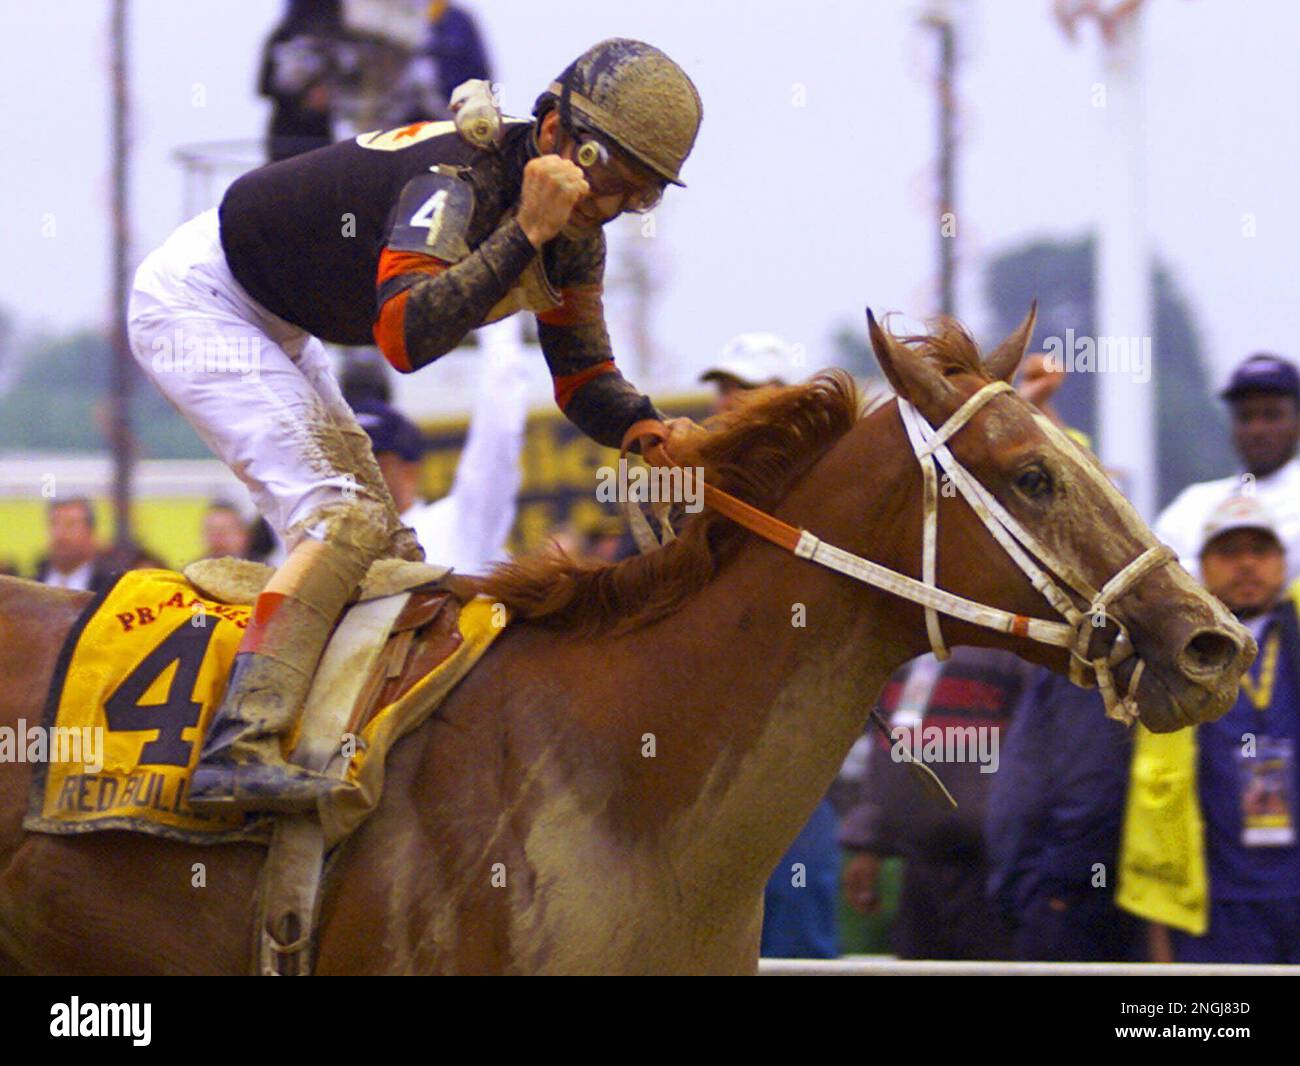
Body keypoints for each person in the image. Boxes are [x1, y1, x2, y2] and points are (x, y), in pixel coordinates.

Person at [127, 38, 704, 813]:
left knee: (393, 549)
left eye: (642, 196)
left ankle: (334, 732)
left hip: (277, 317)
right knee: (340, 523)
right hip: (203, 301)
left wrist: (648, 430)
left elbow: (584, 379)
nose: (615, 209)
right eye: (616, 182)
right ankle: (239, 744)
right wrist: (524, 234)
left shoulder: (572, 240)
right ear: (562, 134)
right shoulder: (455, 181)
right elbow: (405, 338)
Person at [1120, 495, 1300, 963]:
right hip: (1215, 909)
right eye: (1228, 552)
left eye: (1260, 550)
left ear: (1284, 563)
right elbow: (1154, 807)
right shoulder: (1177, 660)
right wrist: (1159, 930)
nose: (1245, 565)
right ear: (1200, 567)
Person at [985, 668, 1142, 961]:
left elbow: (1093, 782)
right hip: (1041, 890)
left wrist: (1061, 887)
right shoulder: (1055, 668)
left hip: (1066, 899)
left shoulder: (1084, 667)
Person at [354, 321, 528, 572]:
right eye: (349, 458)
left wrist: (498, 321)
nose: (358, 471)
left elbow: (500, 430)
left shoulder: (460, 526)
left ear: (408, 469)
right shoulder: (322, 550)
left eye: (375, 459)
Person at [1155, 352, 1300, 581]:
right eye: (1246, 416)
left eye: (1272, 415)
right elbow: (1157, 581)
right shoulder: (1191, 505)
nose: (1257, 430)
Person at [258, 0, 351, 162]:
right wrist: (302, 96)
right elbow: (264, 87)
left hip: (320, 134)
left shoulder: (339, 42)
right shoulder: (284, 37)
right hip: (287, 134)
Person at [34, 498, 117, 593]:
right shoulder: (31, 586)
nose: (60, 534)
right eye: (54, 524)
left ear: (91, 533)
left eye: (70, 525)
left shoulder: (110, 589)